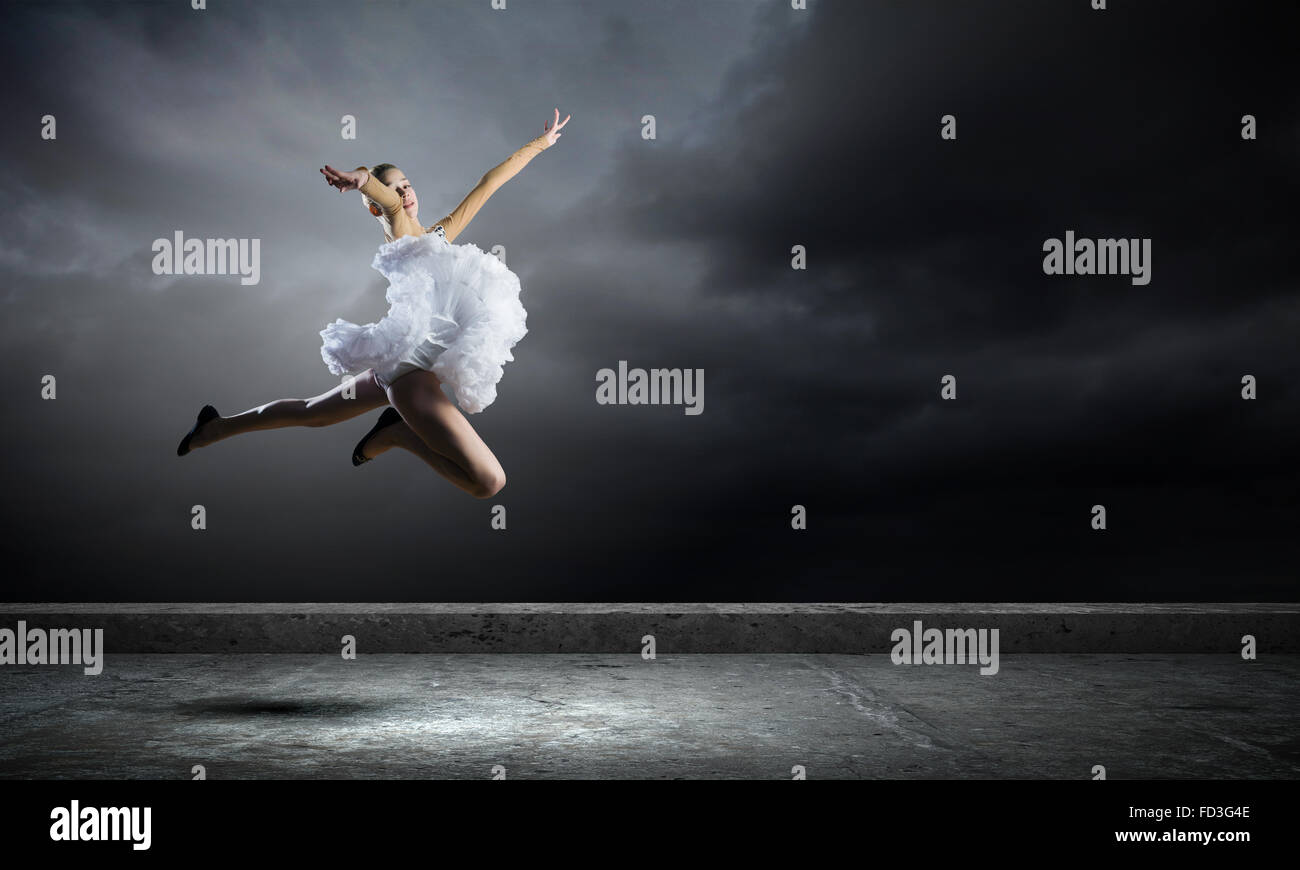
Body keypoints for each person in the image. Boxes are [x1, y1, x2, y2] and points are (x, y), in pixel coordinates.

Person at [175, 109, 570, 499]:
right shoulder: (398, 229)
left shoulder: (438, 236)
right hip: (412, 378)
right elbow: (388, 201)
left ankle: (215, 428)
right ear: (375, 206)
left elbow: (488, 184)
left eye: (408, 184)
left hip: (399, 364)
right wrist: (361, 178)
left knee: (314, 413)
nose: (405, 193)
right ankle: (400, 435)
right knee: (489, 483)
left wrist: (541, 143)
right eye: (395, 188)